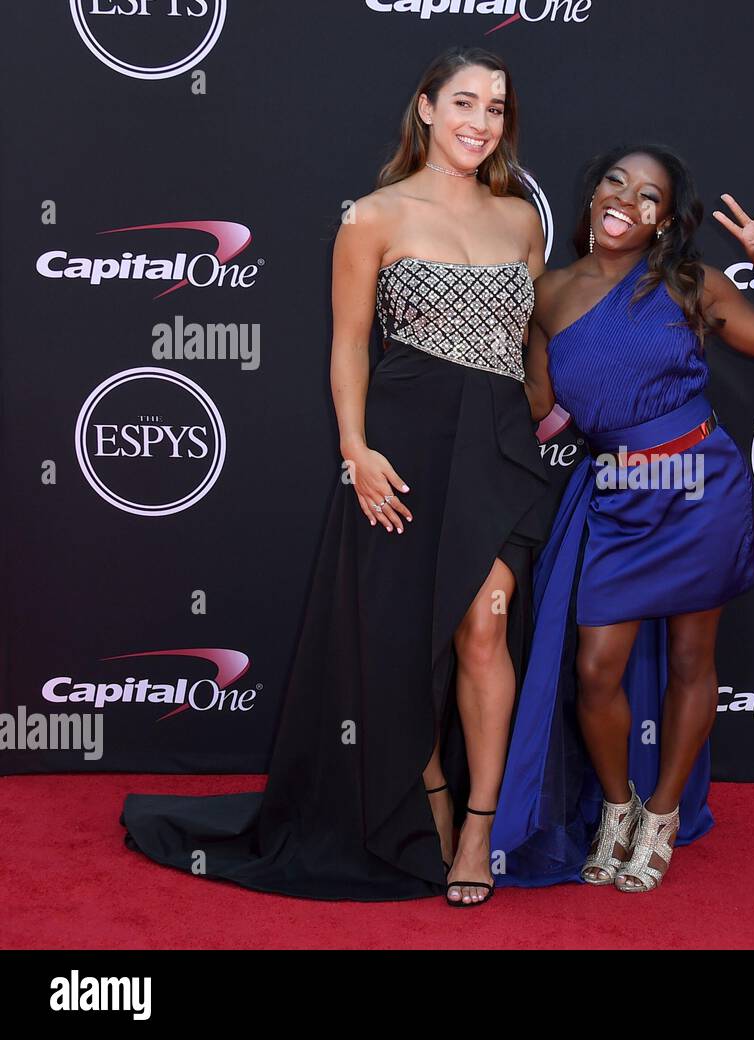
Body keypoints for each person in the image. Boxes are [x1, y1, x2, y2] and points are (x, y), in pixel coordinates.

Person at [120, 46, 552, 907]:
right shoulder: (374, 217)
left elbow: (528, 347)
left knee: (482, 630)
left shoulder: (520, 222)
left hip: (501, 450)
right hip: (402, 448)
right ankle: (423, 802)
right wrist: (355, 449)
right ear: (425, 109)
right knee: (402, 646)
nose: (480, 122)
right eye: (464, 102)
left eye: (496, 109)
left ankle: (478, 827)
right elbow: (349, 341)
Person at [492, 144, 754, 892]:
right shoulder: (549, 292)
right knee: (596, 669)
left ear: (664, 222)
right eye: (614, 182)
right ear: (592, 191)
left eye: (647, 197)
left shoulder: (686, 283)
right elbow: (538, 409)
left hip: (700, 488)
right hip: (619, 492)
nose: (623, 201)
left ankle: (661, 814)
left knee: (694, 662)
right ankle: (615, 807)